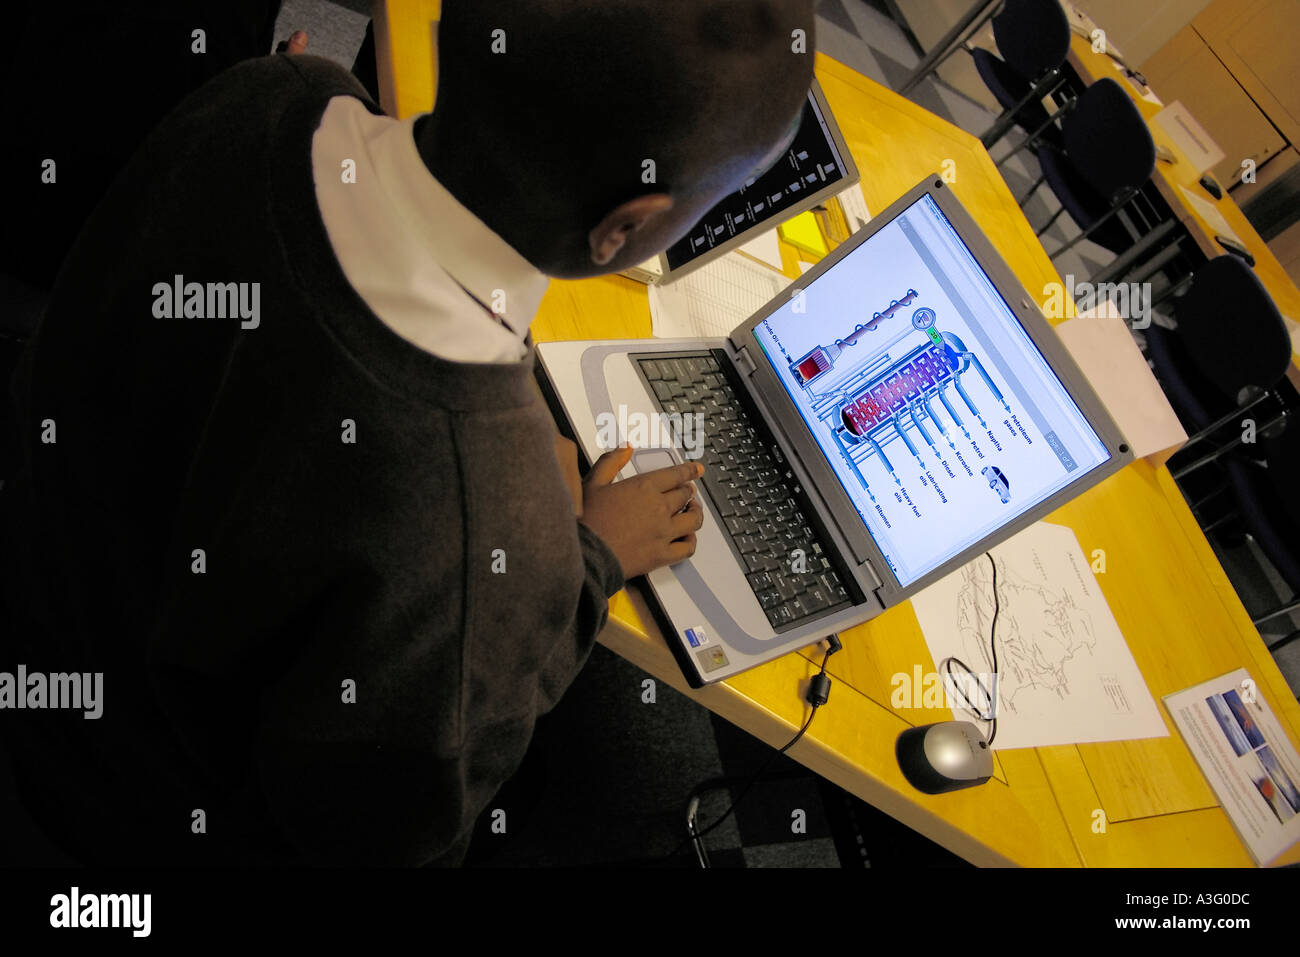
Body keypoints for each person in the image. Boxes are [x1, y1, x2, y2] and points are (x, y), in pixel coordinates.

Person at [0, 0, 816, 865]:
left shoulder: (275, 88)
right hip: (123, 804)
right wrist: (583, 561)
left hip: (45, 571)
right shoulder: (495, 546)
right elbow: (373, 841)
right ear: (629, 228)